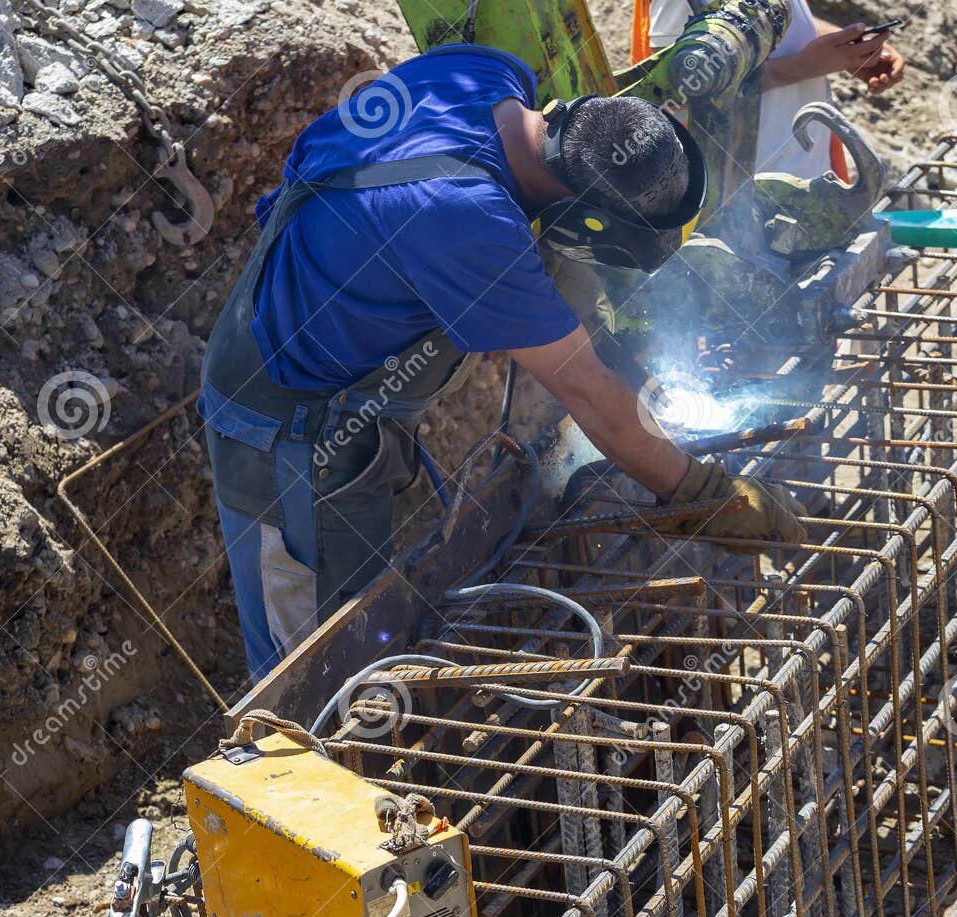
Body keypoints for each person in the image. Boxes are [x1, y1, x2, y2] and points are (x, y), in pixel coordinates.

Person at [201, 42, 807, 679]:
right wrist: (705, 493)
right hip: (284, 432)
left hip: (318, 350)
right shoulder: (469, 221)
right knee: (319, 670)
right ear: (585, 220)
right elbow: (588, 392)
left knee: (367, 628)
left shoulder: (488, 71)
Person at [638, 0, 905, 179]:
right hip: (750, 196)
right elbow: (674, 92)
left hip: (810, 171)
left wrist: (847, 47)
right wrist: (803, 66)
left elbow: (785, 22)